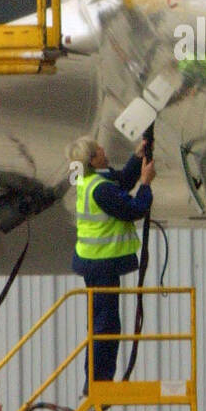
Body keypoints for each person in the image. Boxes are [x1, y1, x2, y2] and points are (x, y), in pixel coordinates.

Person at [69, 135, 156, 383]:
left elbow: (121, 182)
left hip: (94, 262)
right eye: (98, 149)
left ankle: (97, 378)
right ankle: (99, 380)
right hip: (102, 264)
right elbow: (134, 209)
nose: (103, 149)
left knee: (101, 322)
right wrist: (146, 184)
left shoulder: (91, 181)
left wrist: (137, 156)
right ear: (93, 159)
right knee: (105, 325)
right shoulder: (101, 189)